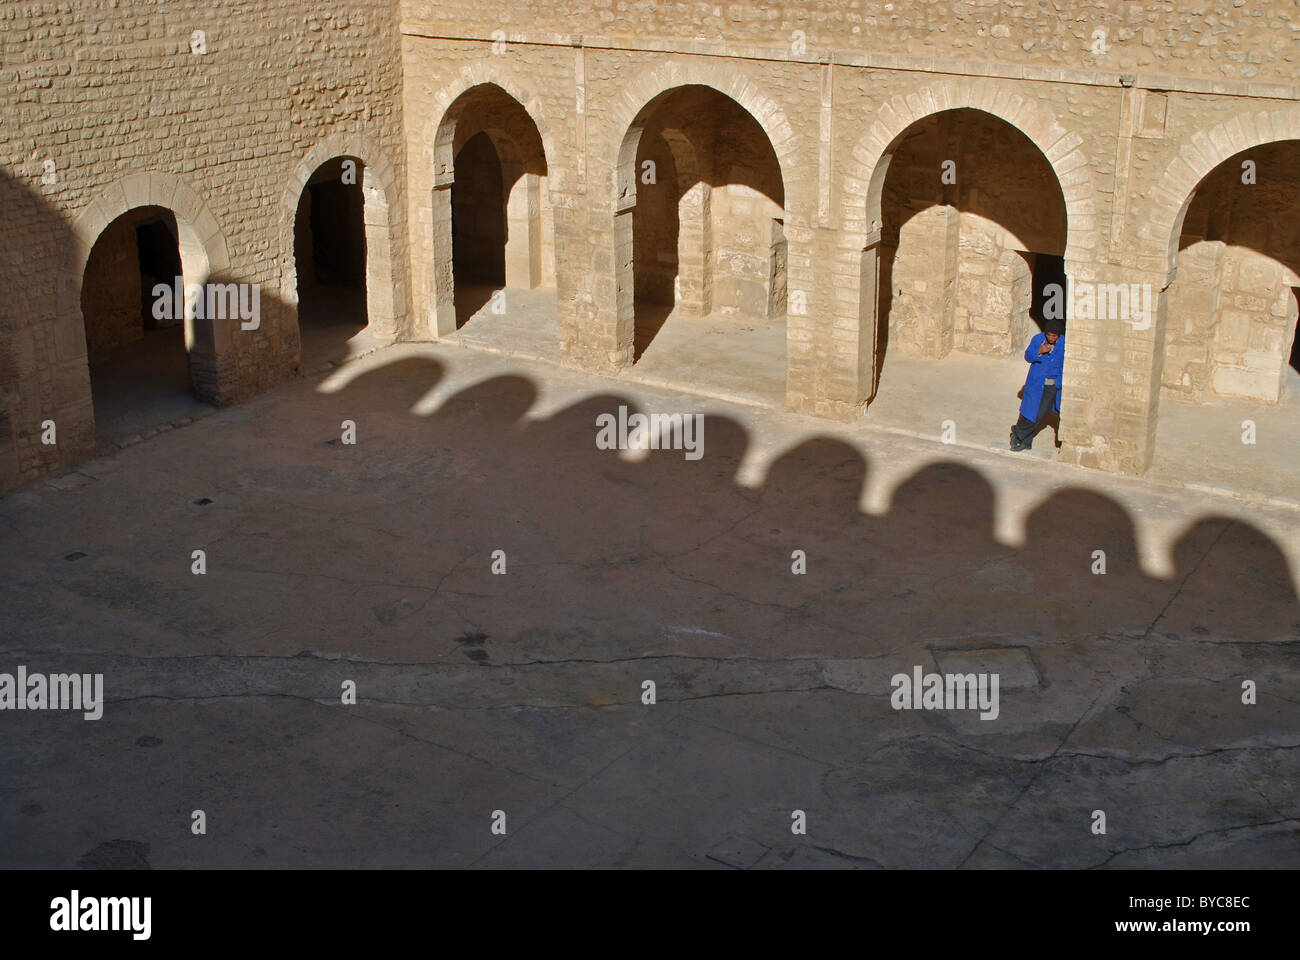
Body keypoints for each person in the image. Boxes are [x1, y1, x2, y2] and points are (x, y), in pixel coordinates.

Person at [1010, 317, 1065, 451]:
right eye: (1049, 335)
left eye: (1054, 336)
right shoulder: (1038, 339)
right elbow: (1028, 356)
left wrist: (1058, 383)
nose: (1051, 338)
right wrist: (1039, 352)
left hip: (1051, 386)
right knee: (1029, 412)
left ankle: (1017, 432)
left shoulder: (1063, 344)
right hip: (1036, 384)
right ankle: (1026, 442)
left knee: (1040, 415)